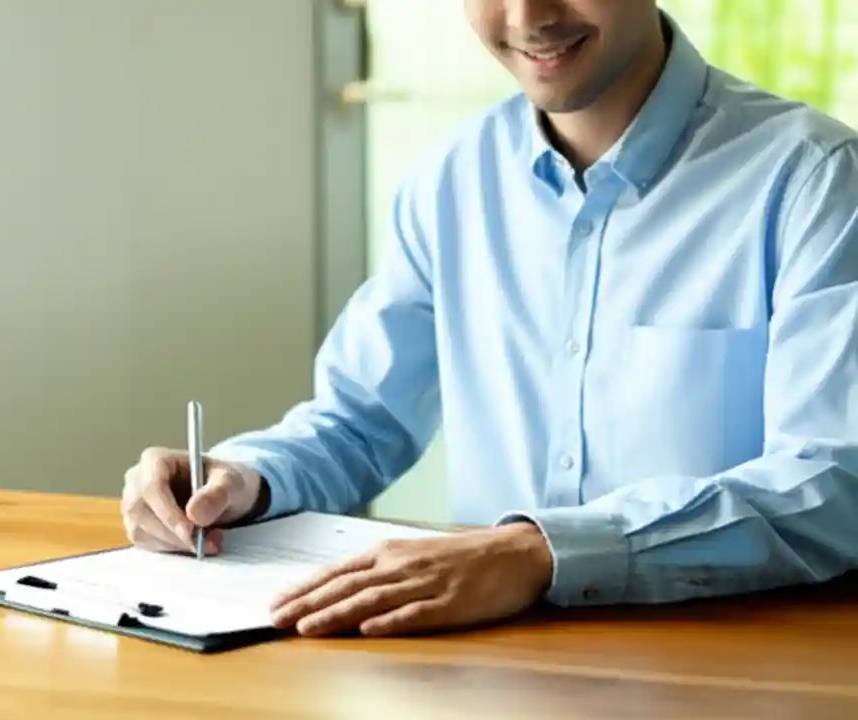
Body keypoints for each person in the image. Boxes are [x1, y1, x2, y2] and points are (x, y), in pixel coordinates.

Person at [121, 0, 858, 638]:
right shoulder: (451, 181)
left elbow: (832, 482)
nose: (529, 16)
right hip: (489, 663)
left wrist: (538, 553)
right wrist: (244, 480)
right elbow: (358, 420)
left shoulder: (814, 179)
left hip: (735, 664)